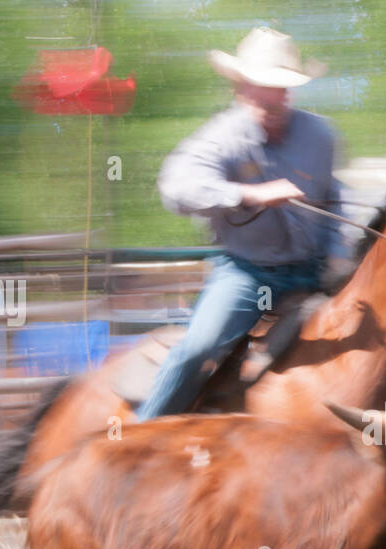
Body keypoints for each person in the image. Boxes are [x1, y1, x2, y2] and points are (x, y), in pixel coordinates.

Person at [138, 27, 351, 420]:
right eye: (261, 85)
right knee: (200, 347)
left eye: (279, 87)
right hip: (247, 275)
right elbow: (176, 187)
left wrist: (338, 254)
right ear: (241, 87)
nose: (272, 96)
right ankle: (138, 435)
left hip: (314, 271)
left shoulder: (320, 135)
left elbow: (334, 197)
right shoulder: (222, 138)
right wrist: (248, 194)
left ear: (289, 92)